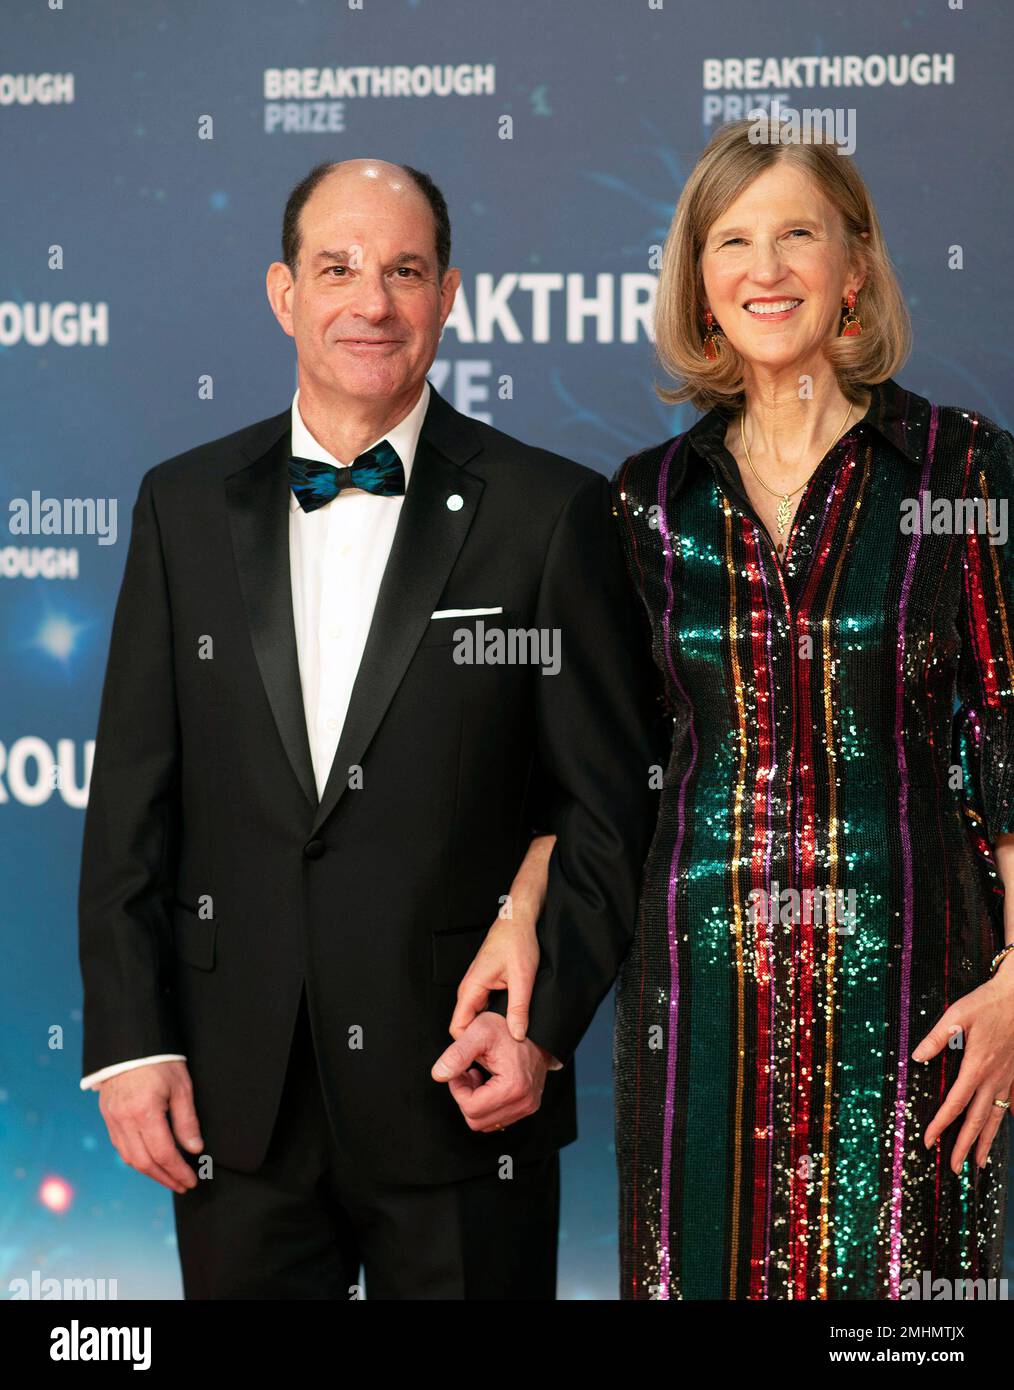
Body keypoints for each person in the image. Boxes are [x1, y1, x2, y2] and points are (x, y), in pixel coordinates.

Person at [77, 159, 663, 1299]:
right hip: (233, 1099)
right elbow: (133, 803)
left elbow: (608, 802)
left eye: (403, 270)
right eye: (337, 268)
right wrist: (132, 1044)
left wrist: (537, 1029)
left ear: (449, 295)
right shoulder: (182, 505)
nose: (371, 301)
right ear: (283, 293)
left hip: (463, 1090)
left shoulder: (552, 512)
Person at [482, 118, 1014, 1299]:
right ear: (702, 285)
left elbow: (1007, 731)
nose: (766, 268)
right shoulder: (646, 503)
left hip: (916, 995)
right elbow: (602, 766)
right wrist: (523, 913)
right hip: (698, 1009)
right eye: (733, 240)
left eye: (797, 236)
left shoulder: (962, 472)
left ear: (855, 268)